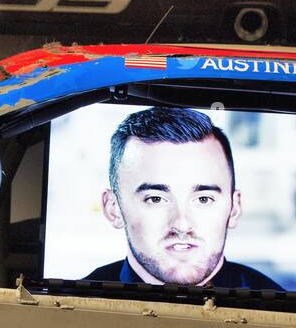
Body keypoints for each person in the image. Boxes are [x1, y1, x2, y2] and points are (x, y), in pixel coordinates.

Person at [83, 106, 283, 289]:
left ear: (234, 208)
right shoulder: (70, 312)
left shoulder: (287, 316)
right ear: (113, 208)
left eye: (203, 199)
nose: (182, 224)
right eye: (156, 199)